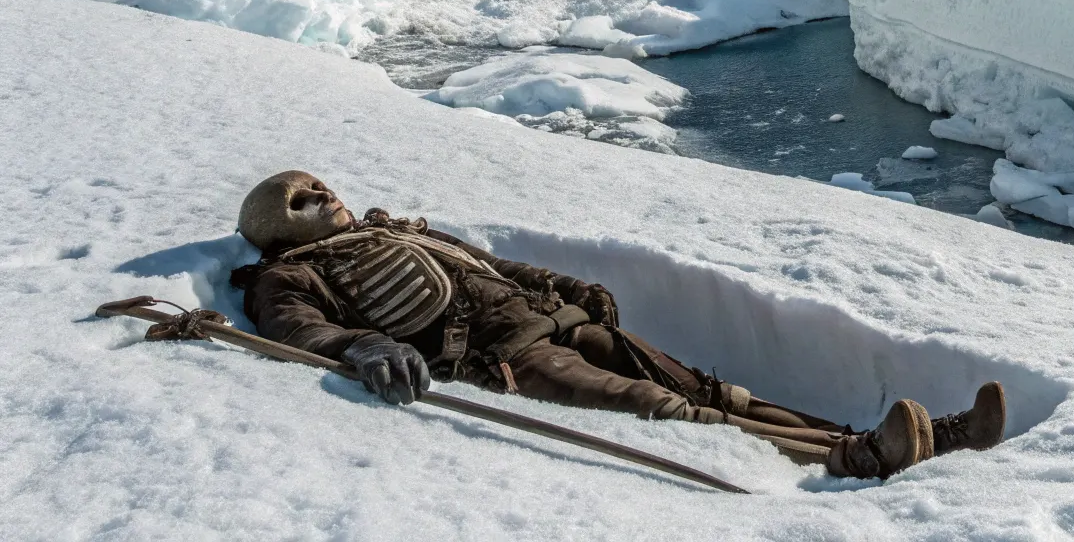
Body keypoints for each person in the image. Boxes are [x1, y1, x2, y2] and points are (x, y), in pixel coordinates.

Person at [229, 170, 1006, 479]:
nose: (320, 195)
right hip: (503, 360)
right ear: (276, 232)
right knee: (667, 412)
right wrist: (362, 342)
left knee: (712, 389)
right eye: (299, 201)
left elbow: (491, 269)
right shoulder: (290, 274)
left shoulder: (393, 229)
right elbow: (295, 328)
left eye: (317, 183)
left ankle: (920, 437)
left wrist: (567, 285)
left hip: (552, 322)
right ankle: (862, 457)